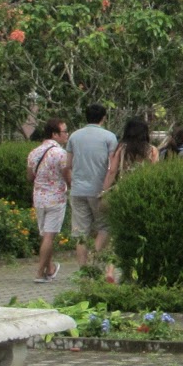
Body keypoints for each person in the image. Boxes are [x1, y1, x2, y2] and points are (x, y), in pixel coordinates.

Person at [66, 103, 117, 269]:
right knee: (105, 226)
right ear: (103, 117)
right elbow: (112, 165)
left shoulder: (74, 136)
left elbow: (68, 164)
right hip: (99, 189)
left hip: (78, 189)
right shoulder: (109, 137)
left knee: (80, 232)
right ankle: (95, 257)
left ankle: (82, 269)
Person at [26, 118, 69, 283]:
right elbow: (66, 175)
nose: (66, 135)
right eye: (64, 132)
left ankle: (50, 268)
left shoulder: (34, 152)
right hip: (56, 198)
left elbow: (30, 176)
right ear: (55, 134)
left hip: (39, 197)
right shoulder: (60, 154)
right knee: (49, 236)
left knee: (45, 235)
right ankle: (39, 273)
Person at [102, 116, 158, 193]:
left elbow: (112, 171)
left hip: (124, 190)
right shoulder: (152, 150)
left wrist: (104, 190)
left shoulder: (121, 148)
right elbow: (154, 172)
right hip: (144, 190)